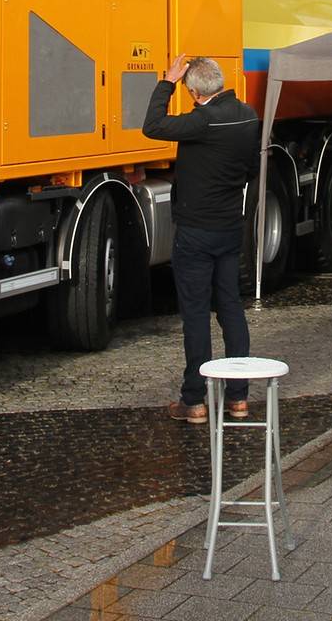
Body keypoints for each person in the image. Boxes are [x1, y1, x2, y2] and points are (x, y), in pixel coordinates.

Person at [143, 55, 261, 423]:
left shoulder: (203, 120)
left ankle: (193, 400)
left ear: (194, 92)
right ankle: (238, 398)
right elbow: (253, 169)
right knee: (230, 308)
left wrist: (166, 82)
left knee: (196, 315)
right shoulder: (247, 114)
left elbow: (153, 126)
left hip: (195, 231)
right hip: (229, 228)